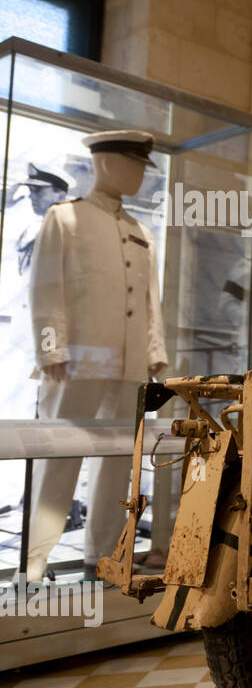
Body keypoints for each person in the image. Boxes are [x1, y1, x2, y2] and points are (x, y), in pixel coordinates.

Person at [23, 130, 167, 583]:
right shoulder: (65, 219)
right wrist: (51, 350)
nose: (141, 174)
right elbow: (45, 288)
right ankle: (34, 563)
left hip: (129, 367)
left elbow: (150, 301)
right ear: (105, 163)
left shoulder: (139, 231)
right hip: (75, 365)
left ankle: (100, 558)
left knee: (119, 463)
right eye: (134, 164)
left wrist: (154, 351)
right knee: (58, 462)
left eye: (144, 166)